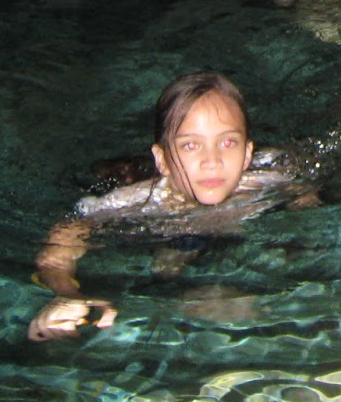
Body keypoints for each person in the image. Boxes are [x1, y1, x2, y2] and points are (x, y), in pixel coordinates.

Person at [27, 71, 297, 341]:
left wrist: (302, 203)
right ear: (163, 160)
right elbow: (68, 231)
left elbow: (302, 187)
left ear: (247, 154)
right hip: (167, 221)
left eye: (228, 142)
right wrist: (66, 292)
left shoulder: (269, 181)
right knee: (165, 273)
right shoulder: (137, 202)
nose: (212, 160)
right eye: (191, 145)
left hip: (205, 228)